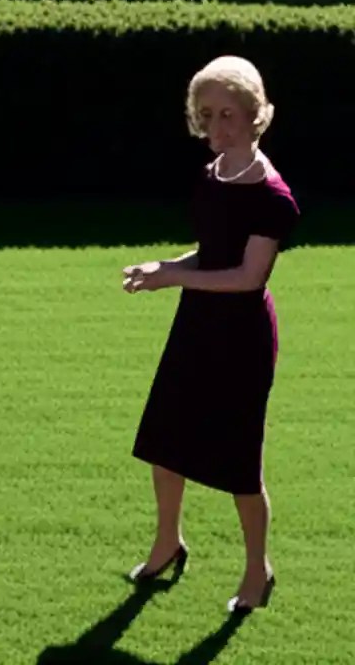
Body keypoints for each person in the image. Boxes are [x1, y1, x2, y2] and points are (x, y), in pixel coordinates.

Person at [121, 55, 299, 614]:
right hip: (196, 324)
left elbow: (248, 277)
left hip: (241, 340)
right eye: (206, 114)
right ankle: (167, 542)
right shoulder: (211, 175)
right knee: (164, 440)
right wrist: (165, 266)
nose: (216, 126)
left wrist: (174, 278)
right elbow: (213, 252)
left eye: (227, 113)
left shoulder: (274, 198)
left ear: (255, 115)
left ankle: (257, 570)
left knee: (239, 462)